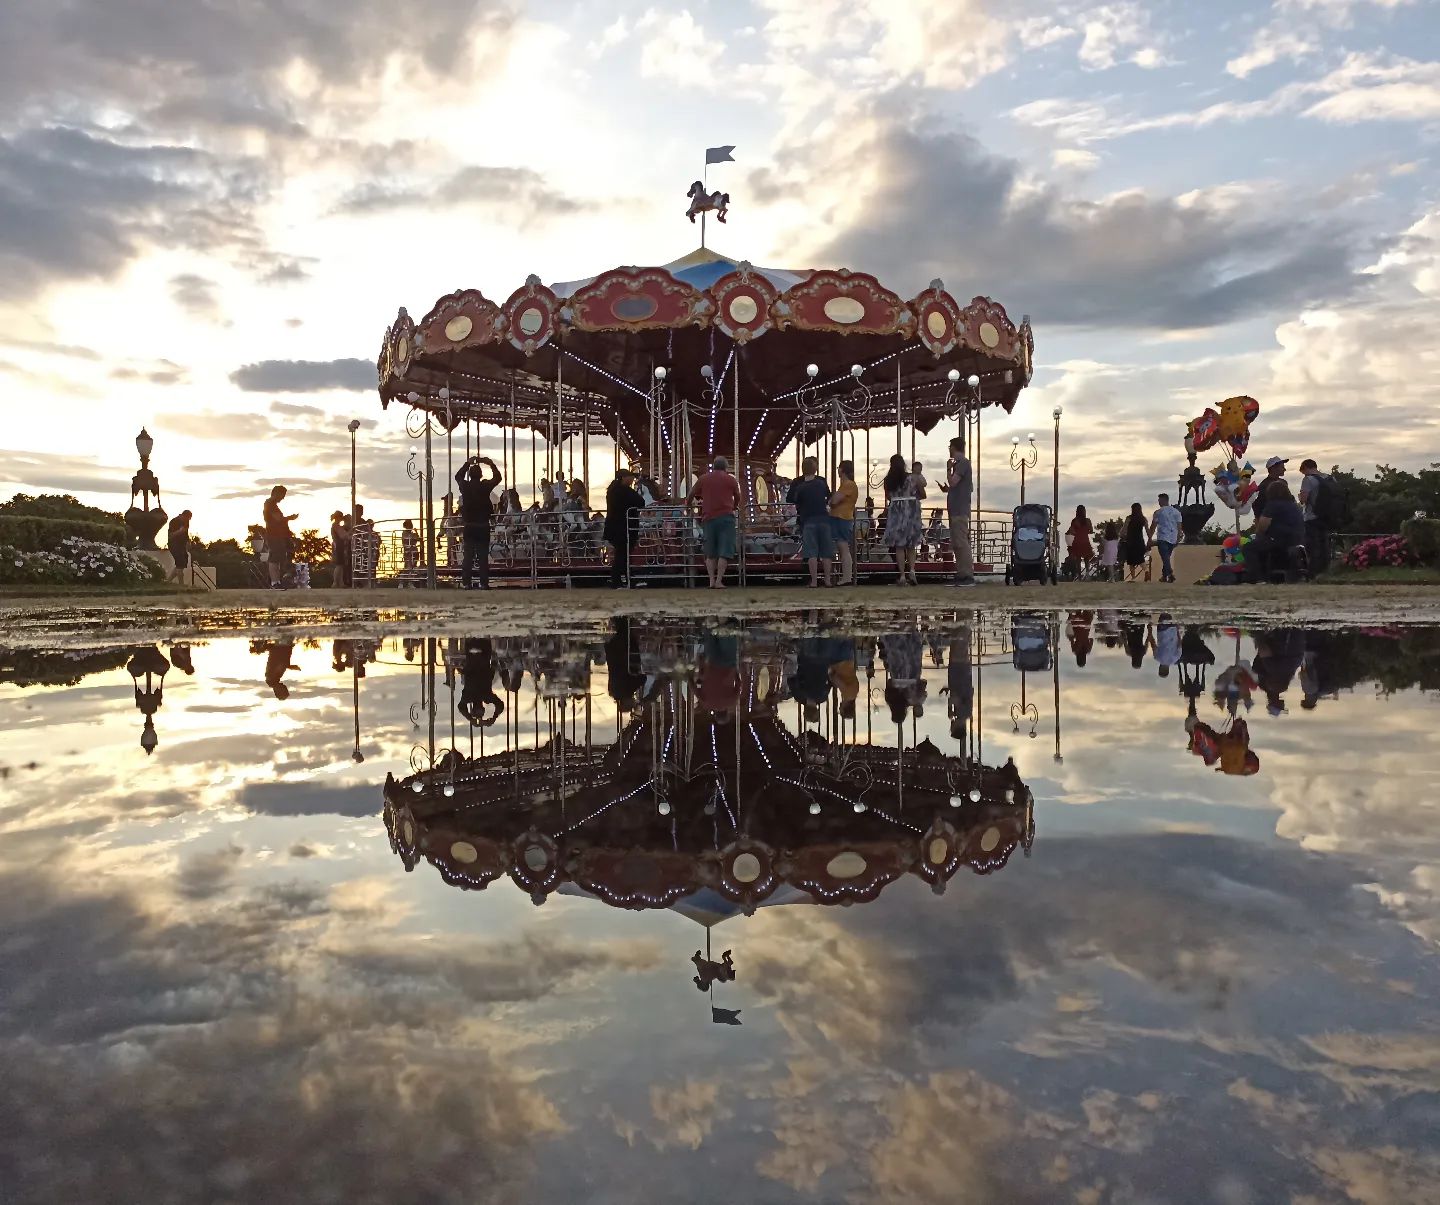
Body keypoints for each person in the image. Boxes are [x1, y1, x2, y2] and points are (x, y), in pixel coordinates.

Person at [687, 455, 743, 589]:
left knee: (710, 551)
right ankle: (719, 581)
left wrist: (687, 505)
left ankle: (711, 581)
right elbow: (738, 495)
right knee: (725, 550)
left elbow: (692, 493)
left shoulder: (704, 478)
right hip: (726, 517)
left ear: (713, 466)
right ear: (726, 467)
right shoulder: (731, 480)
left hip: (708, 517)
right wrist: (734, 505)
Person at [455, 455, 502, 590]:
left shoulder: (465, 486)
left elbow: (458, 477)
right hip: (483, 525)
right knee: (482, 556)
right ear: (481, 475)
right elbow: (498, 478)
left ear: (470, 475)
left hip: (469, 525)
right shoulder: (485, 486)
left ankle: (466, 583)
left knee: (468, 556)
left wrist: (467, 464)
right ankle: (483, 583)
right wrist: (490, 463)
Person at [1246, 479, 1306, 582]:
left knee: (1249, 548)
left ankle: (1257, 578)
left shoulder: (1273, 505)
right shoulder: (1293, 505)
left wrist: (1258, 535)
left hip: (1280, 540)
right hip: (1297, 540)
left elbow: (1262, 526)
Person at [787, 456, 833, 587]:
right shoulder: (821, 482)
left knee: (811, 552)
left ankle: (813, 581)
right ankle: (828, 580)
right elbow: (828, 497)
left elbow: (793, 499)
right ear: (815, 468)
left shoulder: (799, 486)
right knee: (826, 552)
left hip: (807, 520)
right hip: (824, 519)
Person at [883, 454, 922, 585]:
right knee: (911, 544)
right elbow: (920, 492)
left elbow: (888, 496)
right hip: (911, 509)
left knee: (899, 546)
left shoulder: (888, 480)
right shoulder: (911, 478)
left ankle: (902, 575)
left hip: (896, 510)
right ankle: (912, 570)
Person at [604, 468, 646, 588]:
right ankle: (619, 579)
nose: (632, 479)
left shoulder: (613, 491)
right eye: (630, 477)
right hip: (624, 527)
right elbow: (640, 502)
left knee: (622, 554)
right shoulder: (624, 491)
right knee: (623, 554)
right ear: (624, 478)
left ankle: (623, 579)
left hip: (615, 526)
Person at [946, 437, 974, 587]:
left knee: (961, 542)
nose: (949, 449)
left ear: (954, 447)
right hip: (957, 508)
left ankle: (967, 575)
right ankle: (962, 573)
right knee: (957, 542)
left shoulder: (962, 463)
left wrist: (948, 469)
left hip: (959, 509)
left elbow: (953, 482)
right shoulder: (961, 464)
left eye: (950, 446)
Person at [1298, 458, 1332, 574]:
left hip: (1312, 517)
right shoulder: (1330, 478)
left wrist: (1300, 496)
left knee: (1313, 547)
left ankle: (1314, 573)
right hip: (1327, 517)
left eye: (1303, 471)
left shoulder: (1308, 479)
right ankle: (1326, 571)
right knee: (1325, 545)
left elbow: (1303, 500)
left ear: (1306, 468)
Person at [830, 460, 859, 586]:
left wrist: (831, 500)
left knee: (843, 547)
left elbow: (834, 501)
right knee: (842, 547)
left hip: (842, 518)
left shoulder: (848, 484)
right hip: (842, 518)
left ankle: (847, 577)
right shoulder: (848, 485)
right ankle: (846, 576)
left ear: (841, 470)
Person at [262, 486, 296, 588]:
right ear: (276, 493)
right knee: (275, 558)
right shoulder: (270, 504)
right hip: (273, 535)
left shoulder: (271, 504)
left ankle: (277, 581)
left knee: (279, 557)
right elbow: (278, 519)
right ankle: (275, 582)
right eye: (282, 495)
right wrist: (290, 518)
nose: (283, 498)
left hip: (278, 535)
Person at [1148, 493, 1184, 583]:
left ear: (1164, 500)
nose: (1158, 502)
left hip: (1162, 537)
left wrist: (1149, 538)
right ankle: (1164, 577)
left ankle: (1170, 574)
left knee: (1165, 557)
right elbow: (1179, 526)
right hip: (1173, 538)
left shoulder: (1158, 512)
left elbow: (1153, 526)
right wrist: (1179, 537)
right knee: (1166, 557)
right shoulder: (1176, 512)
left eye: (1159, 500)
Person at [1121, 503, 1148, 581]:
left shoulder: (1129, 518)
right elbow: (1147, 530)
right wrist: (1149, 538)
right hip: (1140, 541)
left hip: (1131, 541)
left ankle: (1133, 578)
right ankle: (1146, 571)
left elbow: (1124, 529)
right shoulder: (1143, 519)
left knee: (1131, 561)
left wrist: (1121, 535)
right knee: (1140, 558)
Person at [165, 510, 192, 584]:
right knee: (180, 562)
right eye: (187, 518)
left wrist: (188, 542)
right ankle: (181, 584)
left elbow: (186, 533)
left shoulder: (186, 522)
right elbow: (171, 536)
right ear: (183, 516)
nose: (188, 520)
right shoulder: (174, 521)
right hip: (174, 545)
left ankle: (168, 581)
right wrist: (179, 531)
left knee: (183, 562)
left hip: (182, 545)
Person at [1065, 505, 1094, 573]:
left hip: (1077, 542)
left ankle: (1079, 576)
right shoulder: (1088, 521)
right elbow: (1091, 530)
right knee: (1086, 559)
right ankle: (1087, 574)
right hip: (1085, 541)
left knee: (1078, 560)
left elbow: (1072, 531)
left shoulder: (1074, 521)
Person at [329, 511, 352, 588]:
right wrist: (350, 532)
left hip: (339, 546)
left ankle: (340, 582)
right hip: (339, 546)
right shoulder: (336, 526)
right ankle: (335, 582)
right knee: (339, 565)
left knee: (340, 565)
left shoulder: (336, 525)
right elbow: (343, 536)